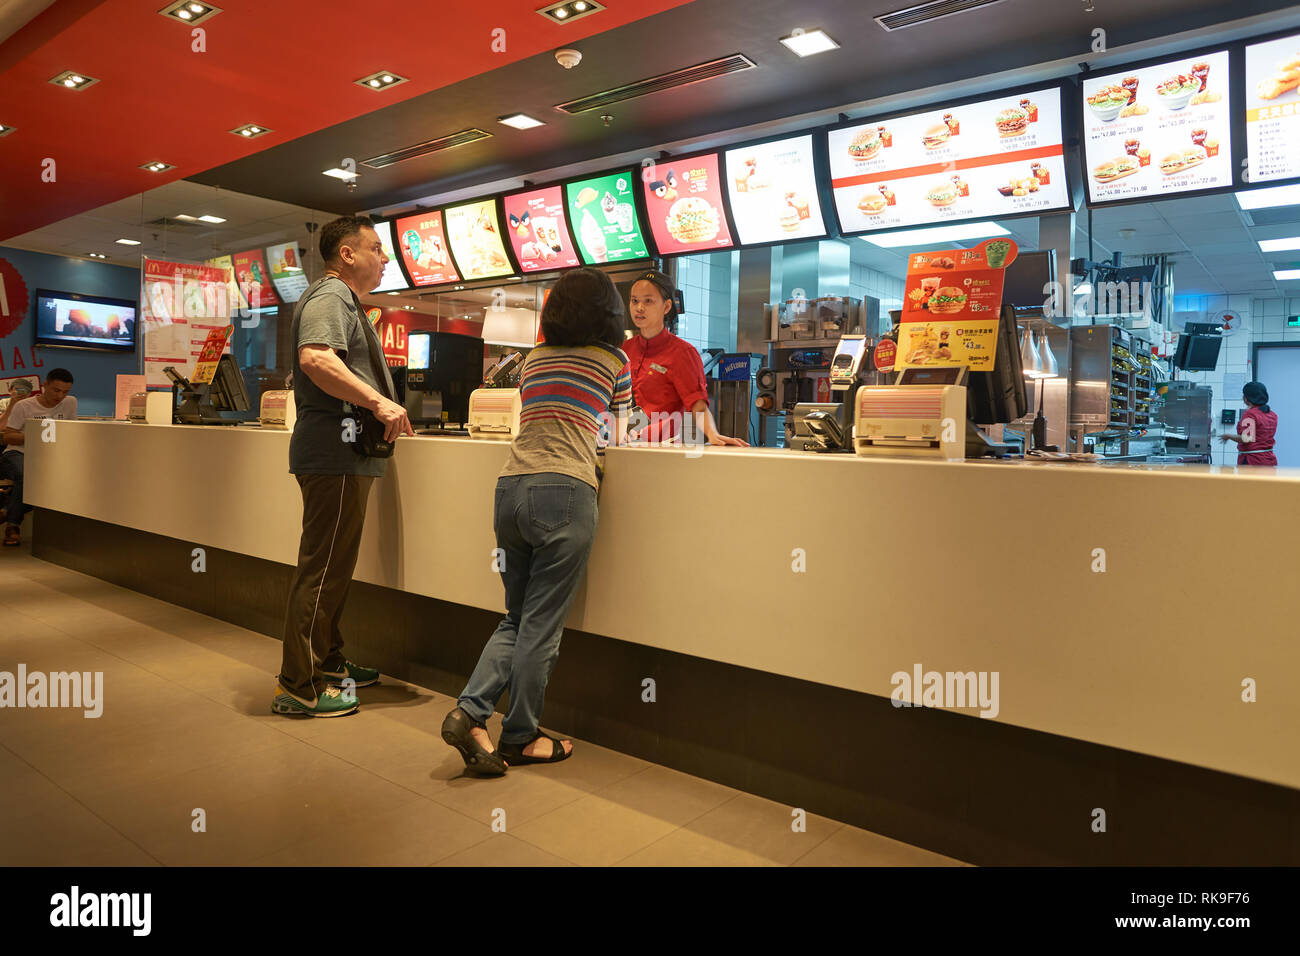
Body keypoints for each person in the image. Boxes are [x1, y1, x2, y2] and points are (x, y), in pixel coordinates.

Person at [441, 268, 631, 775]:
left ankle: (470, 712)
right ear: (611, 313)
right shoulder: (615, 360)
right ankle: (520, 736)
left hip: (510, 490)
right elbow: (622, 432)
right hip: (566, 491)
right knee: (541, 626)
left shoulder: (532, 360)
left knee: (517, 616)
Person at [272, 216, 414, 718]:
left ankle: (329, 664)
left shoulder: (343, 300)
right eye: (377, 248)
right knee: (323, 568)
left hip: (345, 455)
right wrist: (381, 403)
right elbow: (316, 359)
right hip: (334, 454)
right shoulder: (331, 296)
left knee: (334, 569)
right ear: (348, 255)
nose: (385, 257)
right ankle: (298, 686)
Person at [622, 269, 749, 447]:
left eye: (648, 301)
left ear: (666, 307)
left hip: (664, 448)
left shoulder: (682, 353)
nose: (639, 308)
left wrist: (713, 434)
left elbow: (698, 405)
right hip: (623, 446)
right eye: (634, 301)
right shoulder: (624, 349)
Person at [1, 370, 77, 547]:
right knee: (27, 475)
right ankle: (13, 526)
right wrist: (39, 435)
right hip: (17, 453)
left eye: (65, 392)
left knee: (57, 482)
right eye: (56, 390)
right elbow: (9, 437)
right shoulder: (24, 406)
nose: (60, 396)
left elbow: (71, 431)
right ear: (45, 385)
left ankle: (6, 510)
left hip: (49, 457)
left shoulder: (70, 403)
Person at [1219, 381, 1278, 466]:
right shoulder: (1272, 415)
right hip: (1270, 460)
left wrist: (1228, 436)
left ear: (1246, 398)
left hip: (1253, 461)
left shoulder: (1250, 414)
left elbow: (1246, 438)